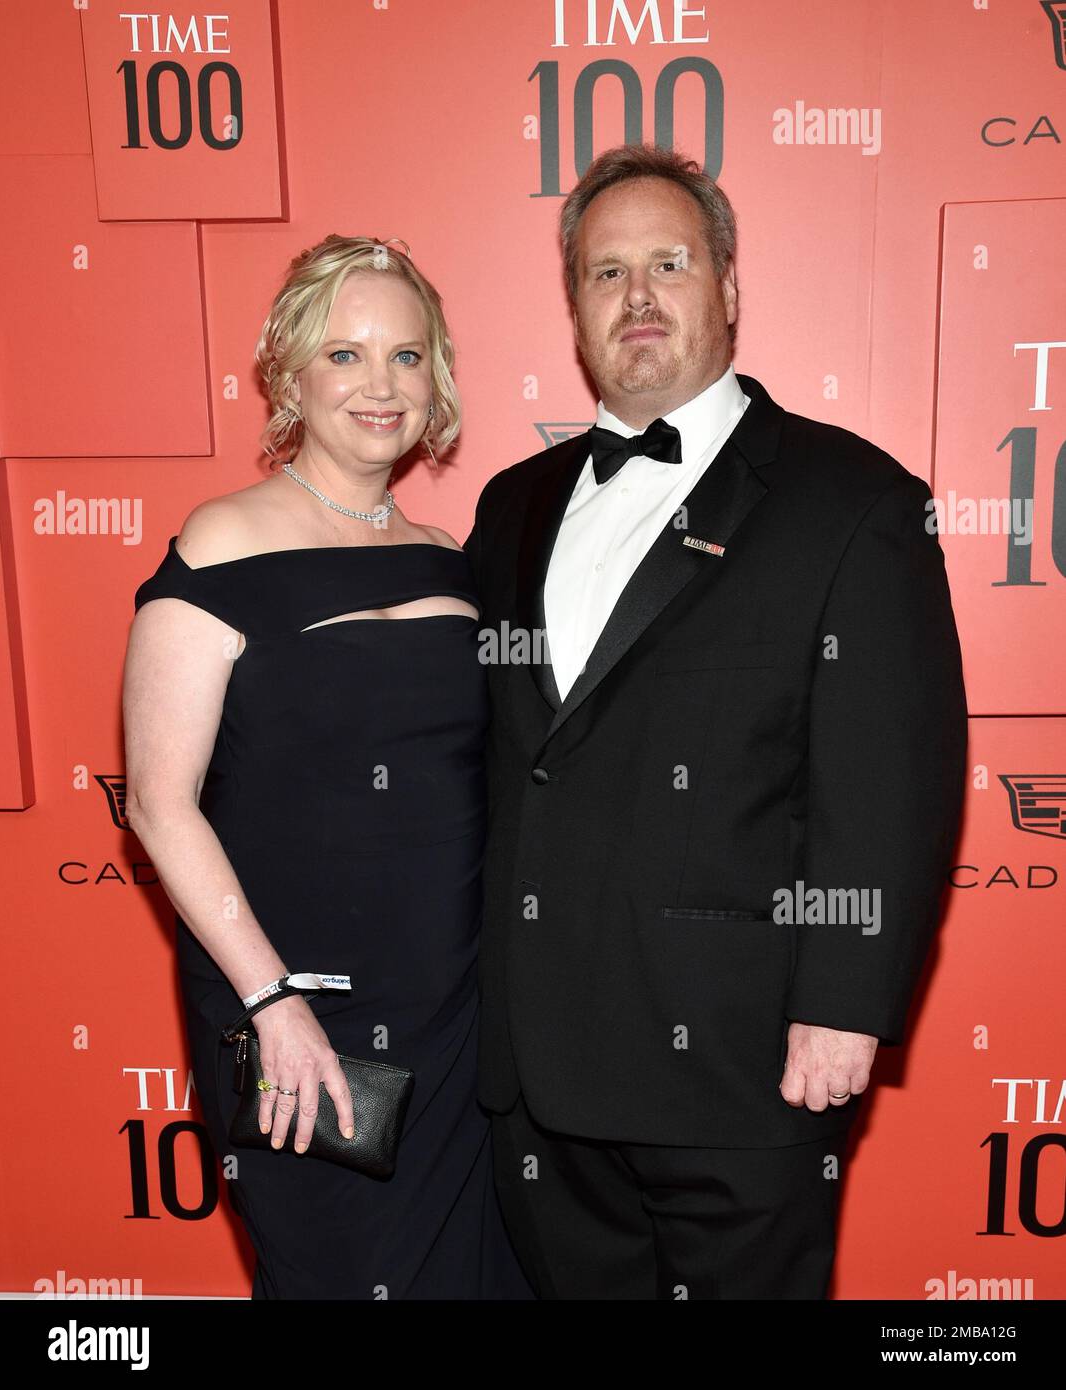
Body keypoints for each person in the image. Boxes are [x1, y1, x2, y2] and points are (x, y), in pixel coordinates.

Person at [464, 144, 968, 1300]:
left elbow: (891, 781)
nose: (637, 298)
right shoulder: (510, 506)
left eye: (670, 263)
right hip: (537, 1070)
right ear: (575, 305)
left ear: (729, 289)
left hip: (742, 1069)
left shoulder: (855, 502)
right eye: (605, 273)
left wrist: (842, 1007)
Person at [122, 234, 532, 1300]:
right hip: (300, 1009)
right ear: (289, 373)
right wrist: (273, 1000)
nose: (380, 385)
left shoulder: (457, 559)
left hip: (460, 1012)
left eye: (405, 356)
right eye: (344, 355)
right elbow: (162, 809)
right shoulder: (219, 547)